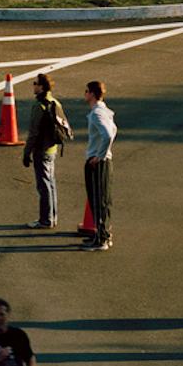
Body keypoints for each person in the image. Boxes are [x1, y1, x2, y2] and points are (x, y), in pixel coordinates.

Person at [19, 76, 67, 229]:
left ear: (41, 87)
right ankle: (52, 216)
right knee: (51, 184)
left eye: (35, 83)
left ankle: (45, 220)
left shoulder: (39, 105)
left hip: (41, 149)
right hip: (52, 148)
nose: (33, 86)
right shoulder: (54, 102)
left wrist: (27, 153)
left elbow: (33, 132)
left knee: (43, 185)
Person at [80, 79, 117, 250]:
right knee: (102, 199)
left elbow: (108, 134)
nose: (85, 94)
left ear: (93, 94)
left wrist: (99, 156)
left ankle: (101, 239)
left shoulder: (97, 114)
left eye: (87, 91)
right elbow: (113, 130)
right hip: (103, 160)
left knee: (97, 200)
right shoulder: (105, 111)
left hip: (97, 162)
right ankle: (102, 235)